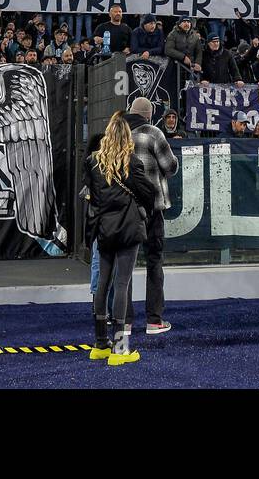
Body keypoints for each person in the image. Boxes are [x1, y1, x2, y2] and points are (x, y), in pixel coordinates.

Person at [85, 111, 156, 365]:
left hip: (104, 228)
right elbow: (150, 192)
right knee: (122, 284)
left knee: (102, 284)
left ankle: (100, 345)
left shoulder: (93, 162)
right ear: (127, 137)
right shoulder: (133, 163)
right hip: (128, 228)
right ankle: (119, 350)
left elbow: (92, 197)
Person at [127, 97, 179, 335]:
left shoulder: (118, 132)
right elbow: (170, 167)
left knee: (123, 265)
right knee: (154, 261)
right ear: (148, 114)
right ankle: (154, 320)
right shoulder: (153, 133)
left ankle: (123, 321)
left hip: (126, 208)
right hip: (154, 207)